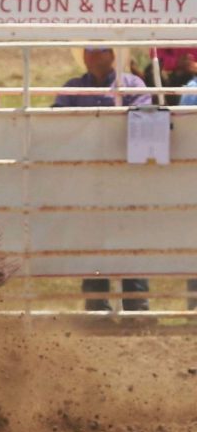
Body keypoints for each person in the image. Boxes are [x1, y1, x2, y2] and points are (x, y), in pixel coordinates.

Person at [53, 46, 152, 313]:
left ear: (114, 55)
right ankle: (97, 305)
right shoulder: (72, 87)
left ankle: (136, 306)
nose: (95, 55)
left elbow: (145, 122)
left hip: (124, 176)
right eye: (90, 51)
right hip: (88, 178)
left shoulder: (132, 84)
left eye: (102, 50)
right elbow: (54, 123)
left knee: (130, 238)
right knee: (91, 239)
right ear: (84, 56)